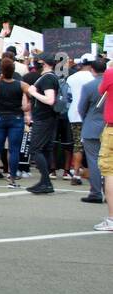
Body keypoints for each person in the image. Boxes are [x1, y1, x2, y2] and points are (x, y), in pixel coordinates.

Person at [22, 53, 61, 194]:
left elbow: (50, 100)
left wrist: (33, 92)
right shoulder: (50, 77)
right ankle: (45, 181)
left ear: (43, 63)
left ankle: (45, 181)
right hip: (47, 118)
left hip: (44, 118)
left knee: (36, 149)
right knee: (43, 149)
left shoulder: (47, 78)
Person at [0, 54, 28, 188]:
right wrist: (27, 107)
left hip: (0, 117)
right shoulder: (21, 84)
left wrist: (0, 76)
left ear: (1, 70)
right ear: (14, 70)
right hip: (16, 118)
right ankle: (12, 179)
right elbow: (32, 92)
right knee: (14, 149)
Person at [77, 60, 107, 204]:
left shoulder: (89, 86)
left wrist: (87, 119)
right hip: (108, 125)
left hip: (92, 125)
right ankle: (109, 191)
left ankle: (96, 192)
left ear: (92, 70)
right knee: (109, 162)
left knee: (94, 161)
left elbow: (81, 108)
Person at [65, 56, 97, 185]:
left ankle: (76, 173)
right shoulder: (93, 78)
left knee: (78, 144)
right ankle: (93, 173)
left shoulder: (71, 78)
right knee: (92, 145)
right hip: (90, 115)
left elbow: (68, 96)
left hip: (73, 113)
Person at [95, 60, 113, 231]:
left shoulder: (110, 72)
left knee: (109, 171)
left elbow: (101, 90)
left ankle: (112, 218)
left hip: (112, 127)